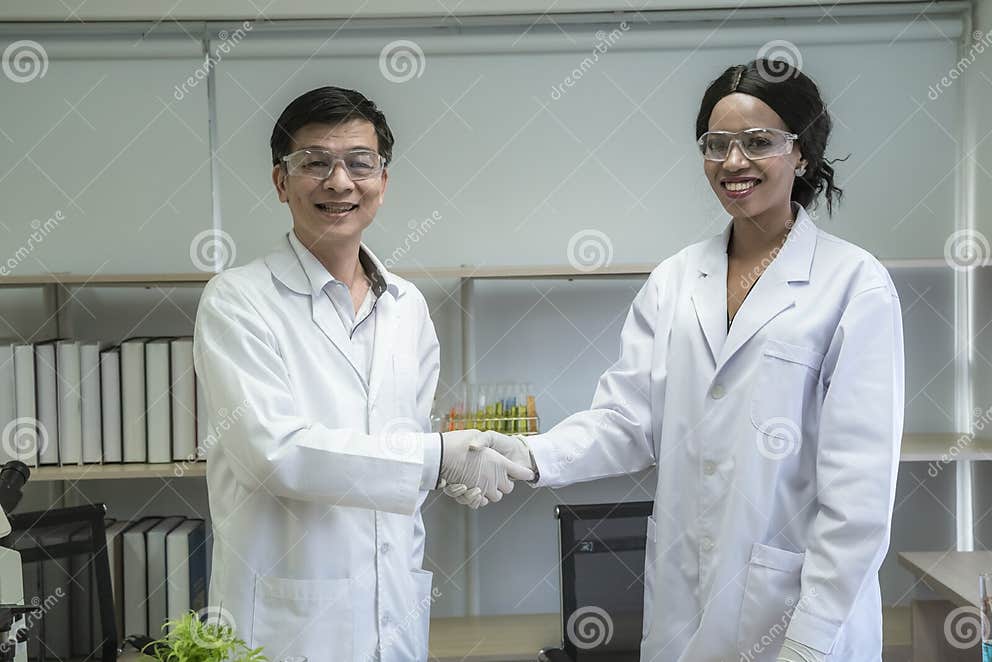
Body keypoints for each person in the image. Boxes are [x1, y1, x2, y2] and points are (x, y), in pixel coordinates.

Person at [447, 60, 904, 662]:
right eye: (717, 144)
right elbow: (628, 421)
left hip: (797, 614)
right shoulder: (676, 279)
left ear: (801, 152)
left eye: (758, 142)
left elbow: (859, 490)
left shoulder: (853, 284)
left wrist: (811, 641)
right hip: (684, 607)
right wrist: (530, 455)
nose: (733, 161)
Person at [193, 86, 533, 662]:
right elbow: (273, 453)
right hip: (288, 630)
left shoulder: (407, 307)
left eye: (359, 163)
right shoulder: (238, 301)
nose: (339, 182)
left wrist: (447, 474)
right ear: (281, 181)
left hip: (394, 614)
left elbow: (398, 452)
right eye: (314, 163)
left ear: (383, 180)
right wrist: (435, 459)